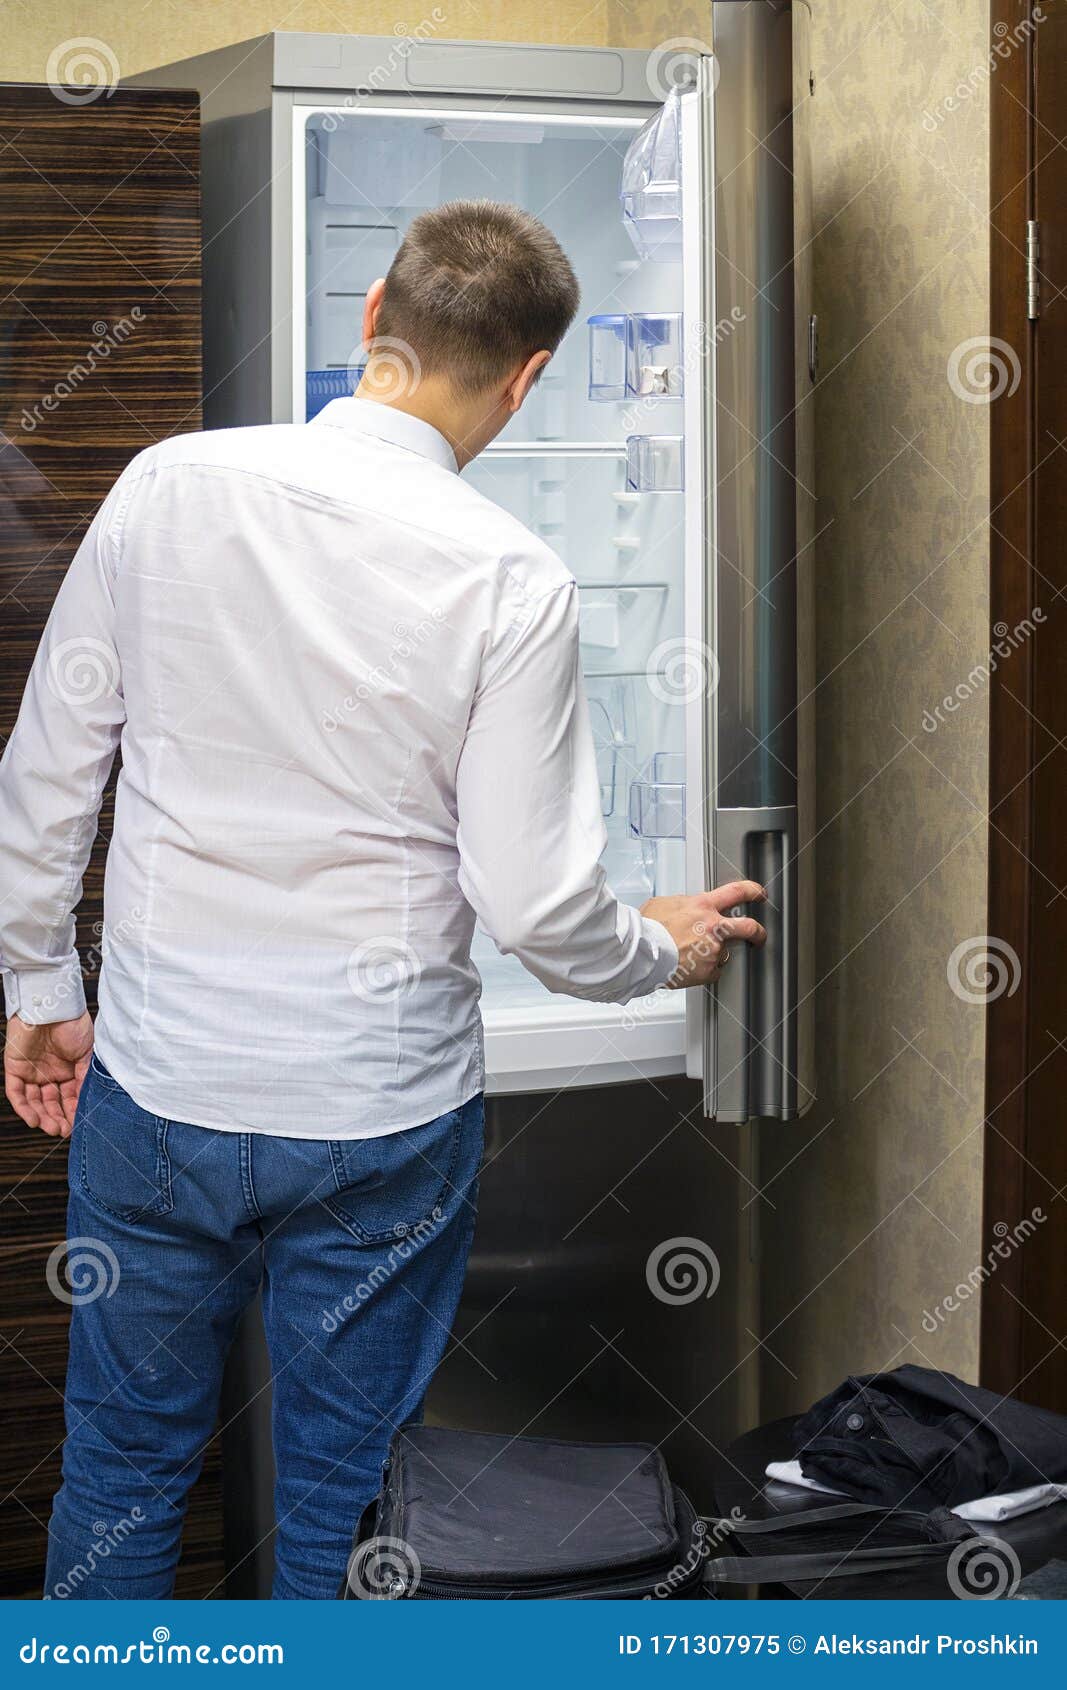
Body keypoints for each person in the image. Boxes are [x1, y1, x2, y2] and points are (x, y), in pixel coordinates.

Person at [0, 199, 766, 1599]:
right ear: (529, 378)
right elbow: (536, 900)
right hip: (380, 1122)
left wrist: (44, 993)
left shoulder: (168, 484)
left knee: (121, 1471)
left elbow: (48, 769)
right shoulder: (511, 577)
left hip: (163, 1088)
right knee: (351, 1503)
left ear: (371, 315)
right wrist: (655, 949)